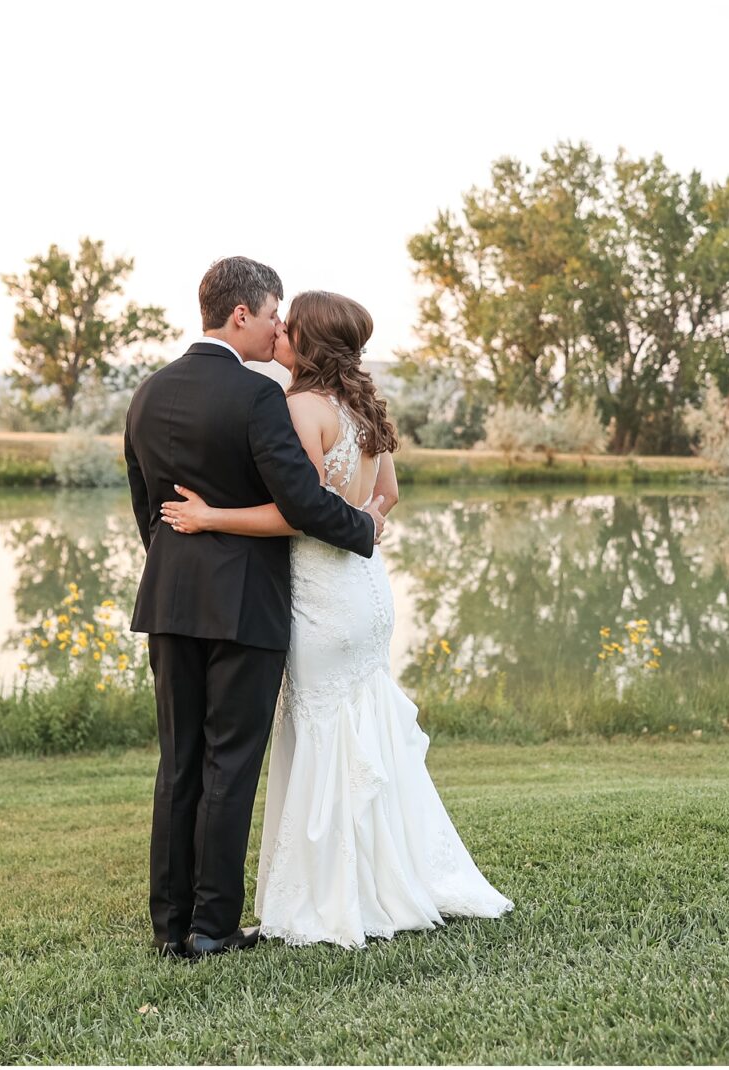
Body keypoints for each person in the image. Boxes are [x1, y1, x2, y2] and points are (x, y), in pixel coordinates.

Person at [160, 289, 513, 949]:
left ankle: (332, 893)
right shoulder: (362, 406)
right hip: (365, 589)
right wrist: (369, 522)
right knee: (362, 731)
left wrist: (210, 517)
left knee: (324, 735)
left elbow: (299, 512)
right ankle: (388, 874)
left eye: (288, 325)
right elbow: (388, 494)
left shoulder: (298, 407)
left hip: (322, 594)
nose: (278, 331)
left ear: (307, 341)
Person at [123, 257, 386, 959]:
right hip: (245, 606)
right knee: (230, 765)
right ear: (241, 314)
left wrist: (178, 566)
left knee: (178, 763)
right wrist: (365, 529)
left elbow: (147, 509)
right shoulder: (257, 395)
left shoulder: (148, 392)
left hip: (170, 600)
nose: (277, 328)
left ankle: (169, 927)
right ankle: (212, 927)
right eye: (272, 314)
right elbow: (302, 503)